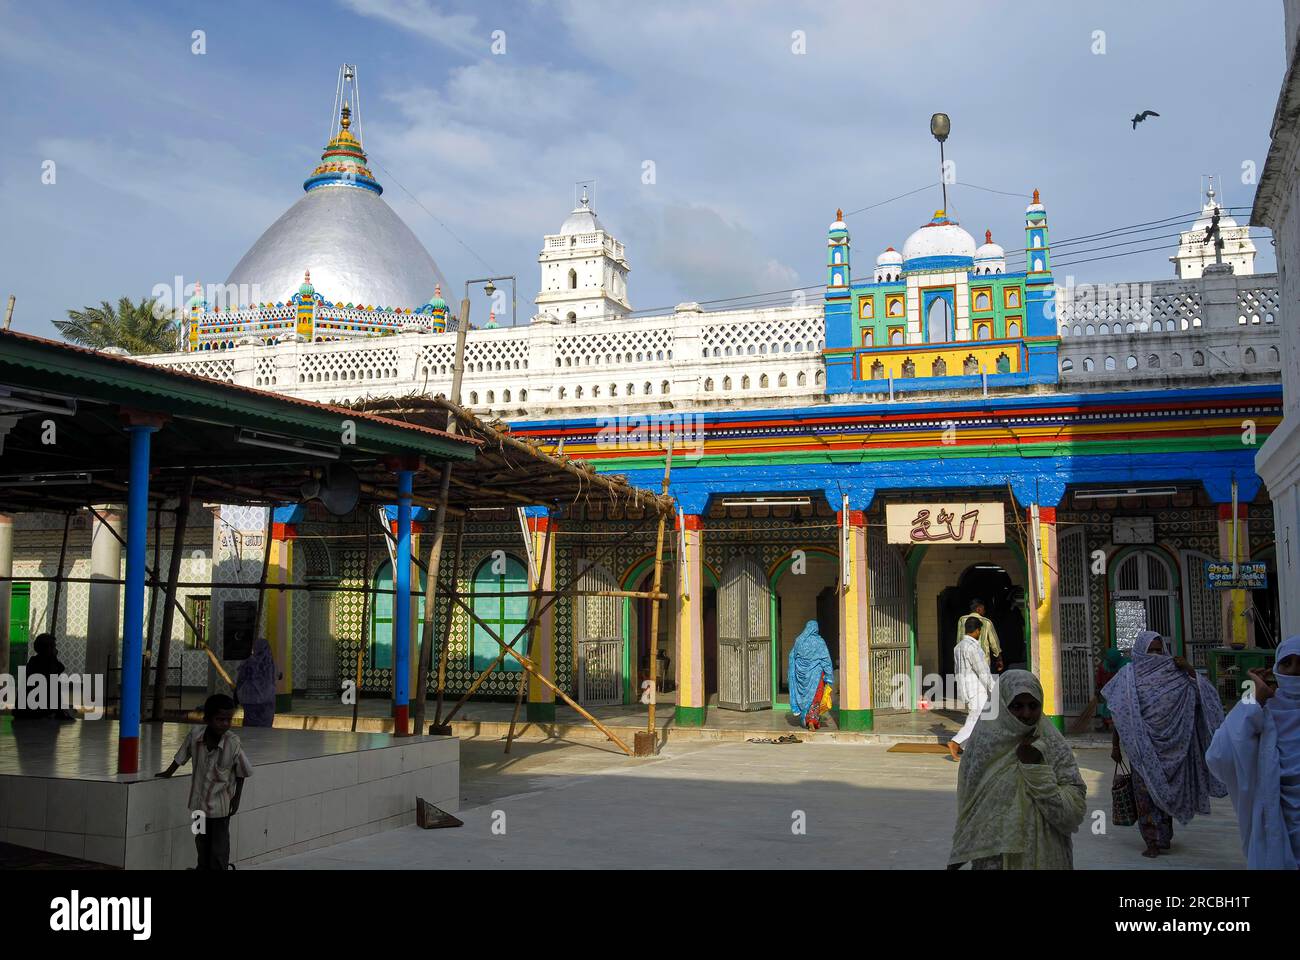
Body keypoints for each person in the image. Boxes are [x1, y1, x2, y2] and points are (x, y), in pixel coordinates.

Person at [1103, 630, 1226, 858]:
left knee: (1165, 792)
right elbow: (1120, 715)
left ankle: (1163, 836)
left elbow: (1205, 699)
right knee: (1144, 796)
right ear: (1140, 651)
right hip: (1141, 747)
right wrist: (1115, 747)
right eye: (1151, 650)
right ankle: (1151, 840)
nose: (1156, 655)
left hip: (1173, 748)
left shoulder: (1176, 675)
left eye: (1160, 650)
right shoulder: (1127, 677)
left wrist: (1189, 670)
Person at [948, 670, 1087, 870]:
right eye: (1016, 706)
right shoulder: (983, 748)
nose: (1026, 714)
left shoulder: (1053, 745)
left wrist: (1034, 769)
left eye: (1033, 706)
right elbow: (973, 808)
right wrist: (959, 854)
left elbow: (1073, 812)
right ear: (1002, 706)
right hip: (995, 858)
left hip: (1048, 856)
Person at [1205, 634, 1300, 869]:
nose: (1295, 671)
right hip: (1275, 826)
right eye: (1287, 663)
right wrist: (1254, 700)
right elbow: (1219, 755)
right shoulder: (1261, 710)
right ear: (1276, 668)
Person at [157, 693, 253, 870]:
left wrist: (236, 799)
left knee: (218, 847)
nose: (224, 723)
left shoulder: (233, 743)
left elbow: (242, 772)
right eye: (220, 719)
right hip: (198, 807)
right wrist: (167, 773)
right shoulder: (195, 736)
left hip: (220, 809)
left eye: (228, 719)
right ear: (208, 718)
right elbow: (181, 756)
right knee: (201, 841)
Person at [948, 617, 994, 761]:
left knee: (974, 716)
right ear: (976, 631)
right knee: (976, 718)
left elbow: (957, 670)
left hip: (965, 687)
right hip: (976, 688)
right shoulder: (973, 647)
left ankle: (966, 747)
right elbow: (982, 670)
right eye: (979, 630)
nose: (979, 633)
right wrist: (993, 688)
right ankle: (955, 742)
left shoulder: (958, 647)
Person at [787, 620, 834, 730]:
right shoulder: (819, 642)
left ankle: (806, 718)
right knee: (815, 698)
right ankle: (812, 721)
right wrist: (829, 676)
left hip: (800, 677)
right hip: (816, 677)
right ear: (816, 629)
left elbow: (792, 656)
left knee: (804, 698)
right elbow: (826, 660)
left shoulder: (799, 641)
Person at [18, 633, 73, 720]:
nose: (56, 649)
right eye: (54, 647)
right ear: (48, 648)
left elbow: (60, 668)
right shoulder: (45, 663)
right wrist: (54, 657)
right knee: (55, 683)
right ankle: (55, 712)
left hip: (26, 709)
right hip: (36, 709)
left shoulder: (34, 661)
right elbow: (58, 669)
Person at [235, 636, 278, 727]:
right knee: (265, 723)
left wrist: (237, 693)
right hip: (267, 699)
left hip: (250, 699)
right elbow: (276, 677)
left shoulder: (248, 662)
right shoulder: (270, 664)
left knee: (250, 723)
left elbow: (241, 679)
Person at [956, 598, 1003, 671]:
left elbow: (959, 640)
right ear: (979, 609)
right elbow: (994, 644)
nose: (985, 611)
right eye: (984, 609)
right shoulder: (987, 622)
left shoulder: (962, 620)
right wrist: (999, 659)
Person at [1094, 646, 1129, 732]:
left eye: (1111, 661)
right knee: (1106, 706)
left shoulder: (1125, 665)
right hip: (1108, 690)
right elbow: (1099, 678)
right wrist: (1099, 687)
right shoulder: (1104, 665)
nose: (1110, 662)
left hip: (1122, 690)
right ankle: (1106, 725)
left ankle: (1119, 727)